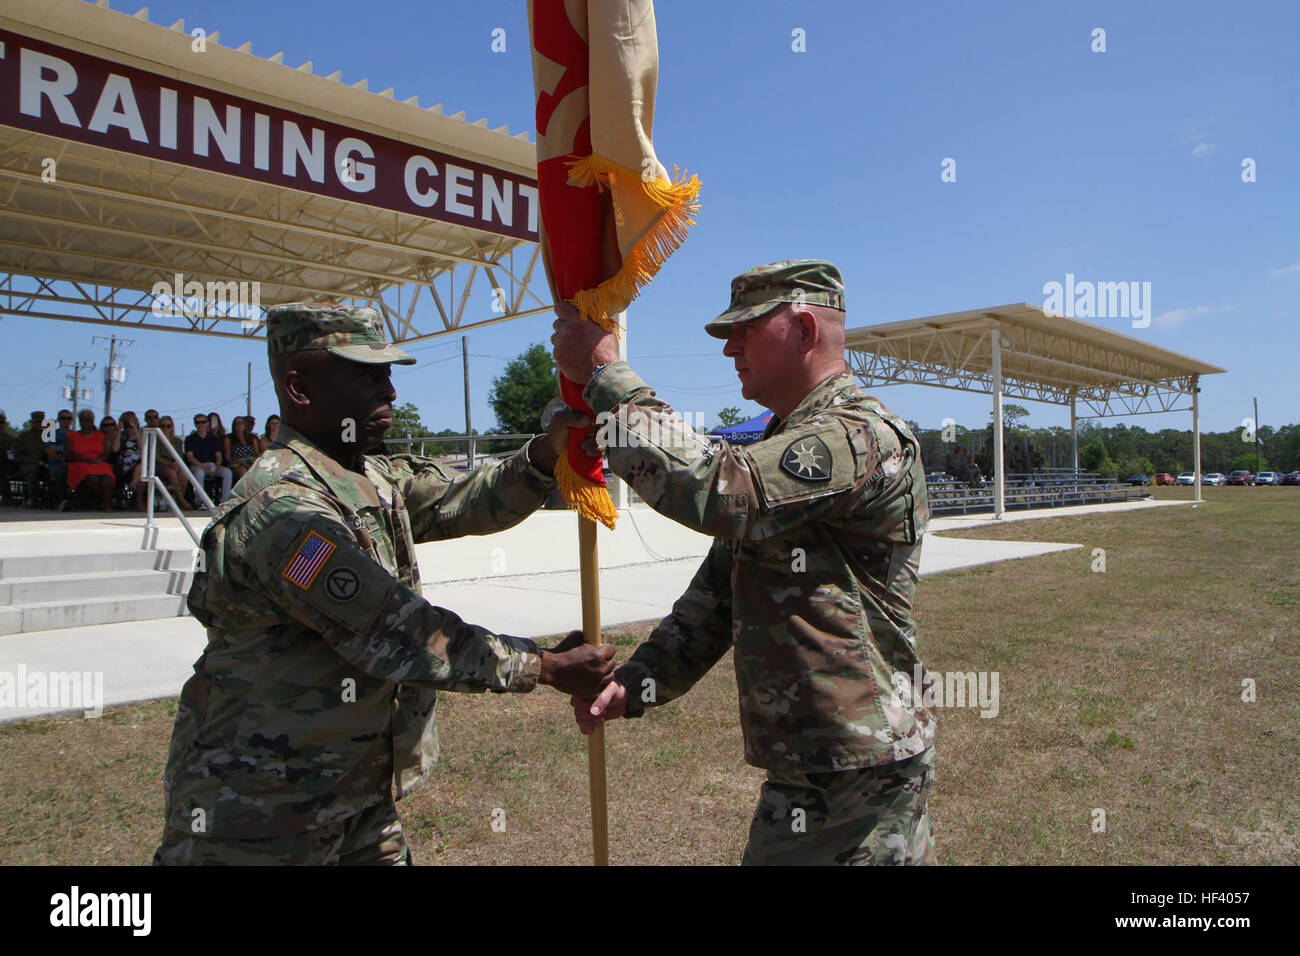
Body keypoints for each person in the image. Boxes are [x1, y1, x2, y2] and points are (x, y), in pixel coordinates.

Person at [154, 301, 613, 866]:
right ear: (299, 387)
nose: (390, 392)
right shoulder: (284, 512)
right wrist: (541, 667)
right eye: (366, 376)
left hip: (356, 801)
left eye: (388, 374)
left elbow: (468, 500)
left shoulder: (366, 475)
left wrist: (547, 453)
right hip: (258, 812)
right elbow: (393, 629)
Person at [552, 259, 937, 866]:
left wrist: (605, 376)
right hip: (822, 763)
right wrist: (636, 683)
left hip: (857, 768)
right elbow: (716, 598)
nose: (730, 347)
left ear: (806, 330)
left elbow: (717, 490)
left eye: (746, 329)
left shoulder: (856, 436)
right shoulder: (785, 445)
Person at [65, 409, 115, 511]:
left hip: (98, 462)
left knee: (107, 479)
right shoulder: (72, 436)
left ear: (93, 421)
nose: (86, 422)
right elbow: (68, 454)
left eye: (88, 420)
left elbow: (106, 452)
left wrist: (100, 459)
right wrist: (85, 460)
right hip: (79, 463)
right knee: (92, 478)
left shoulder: (100, 436)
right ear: (80, 422)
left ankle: (108, 505)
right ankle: (104, 501)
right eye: (83, 420)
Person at [184, 413, 232, 506]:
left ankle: (224, 501)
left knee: (227, 472)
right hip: (197, 465)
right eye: (198, 422)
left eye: (203, 422)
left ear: (207, 423)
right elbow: (190, 457)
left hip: (212, 464)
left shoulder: (214, 438)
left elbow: (218, 456)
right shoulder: (190, 438)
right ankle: (201, 501)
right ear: (195, 424)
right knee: (199, 473)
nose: (201, 424)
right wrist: (203, 467)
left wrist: (217, 466)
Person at [223, 416, 258, 483]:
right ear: (234, 425)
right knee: (243, 470)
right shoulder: (229, 439)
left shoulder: (252, 438)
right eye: (237, 423)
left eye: (241, 423)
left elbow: (257, 454)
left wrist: (250, 461)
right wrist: (240, 461)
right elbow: (228, 458)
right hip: (236, 464)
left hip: (250, 463)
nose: (239, 425)